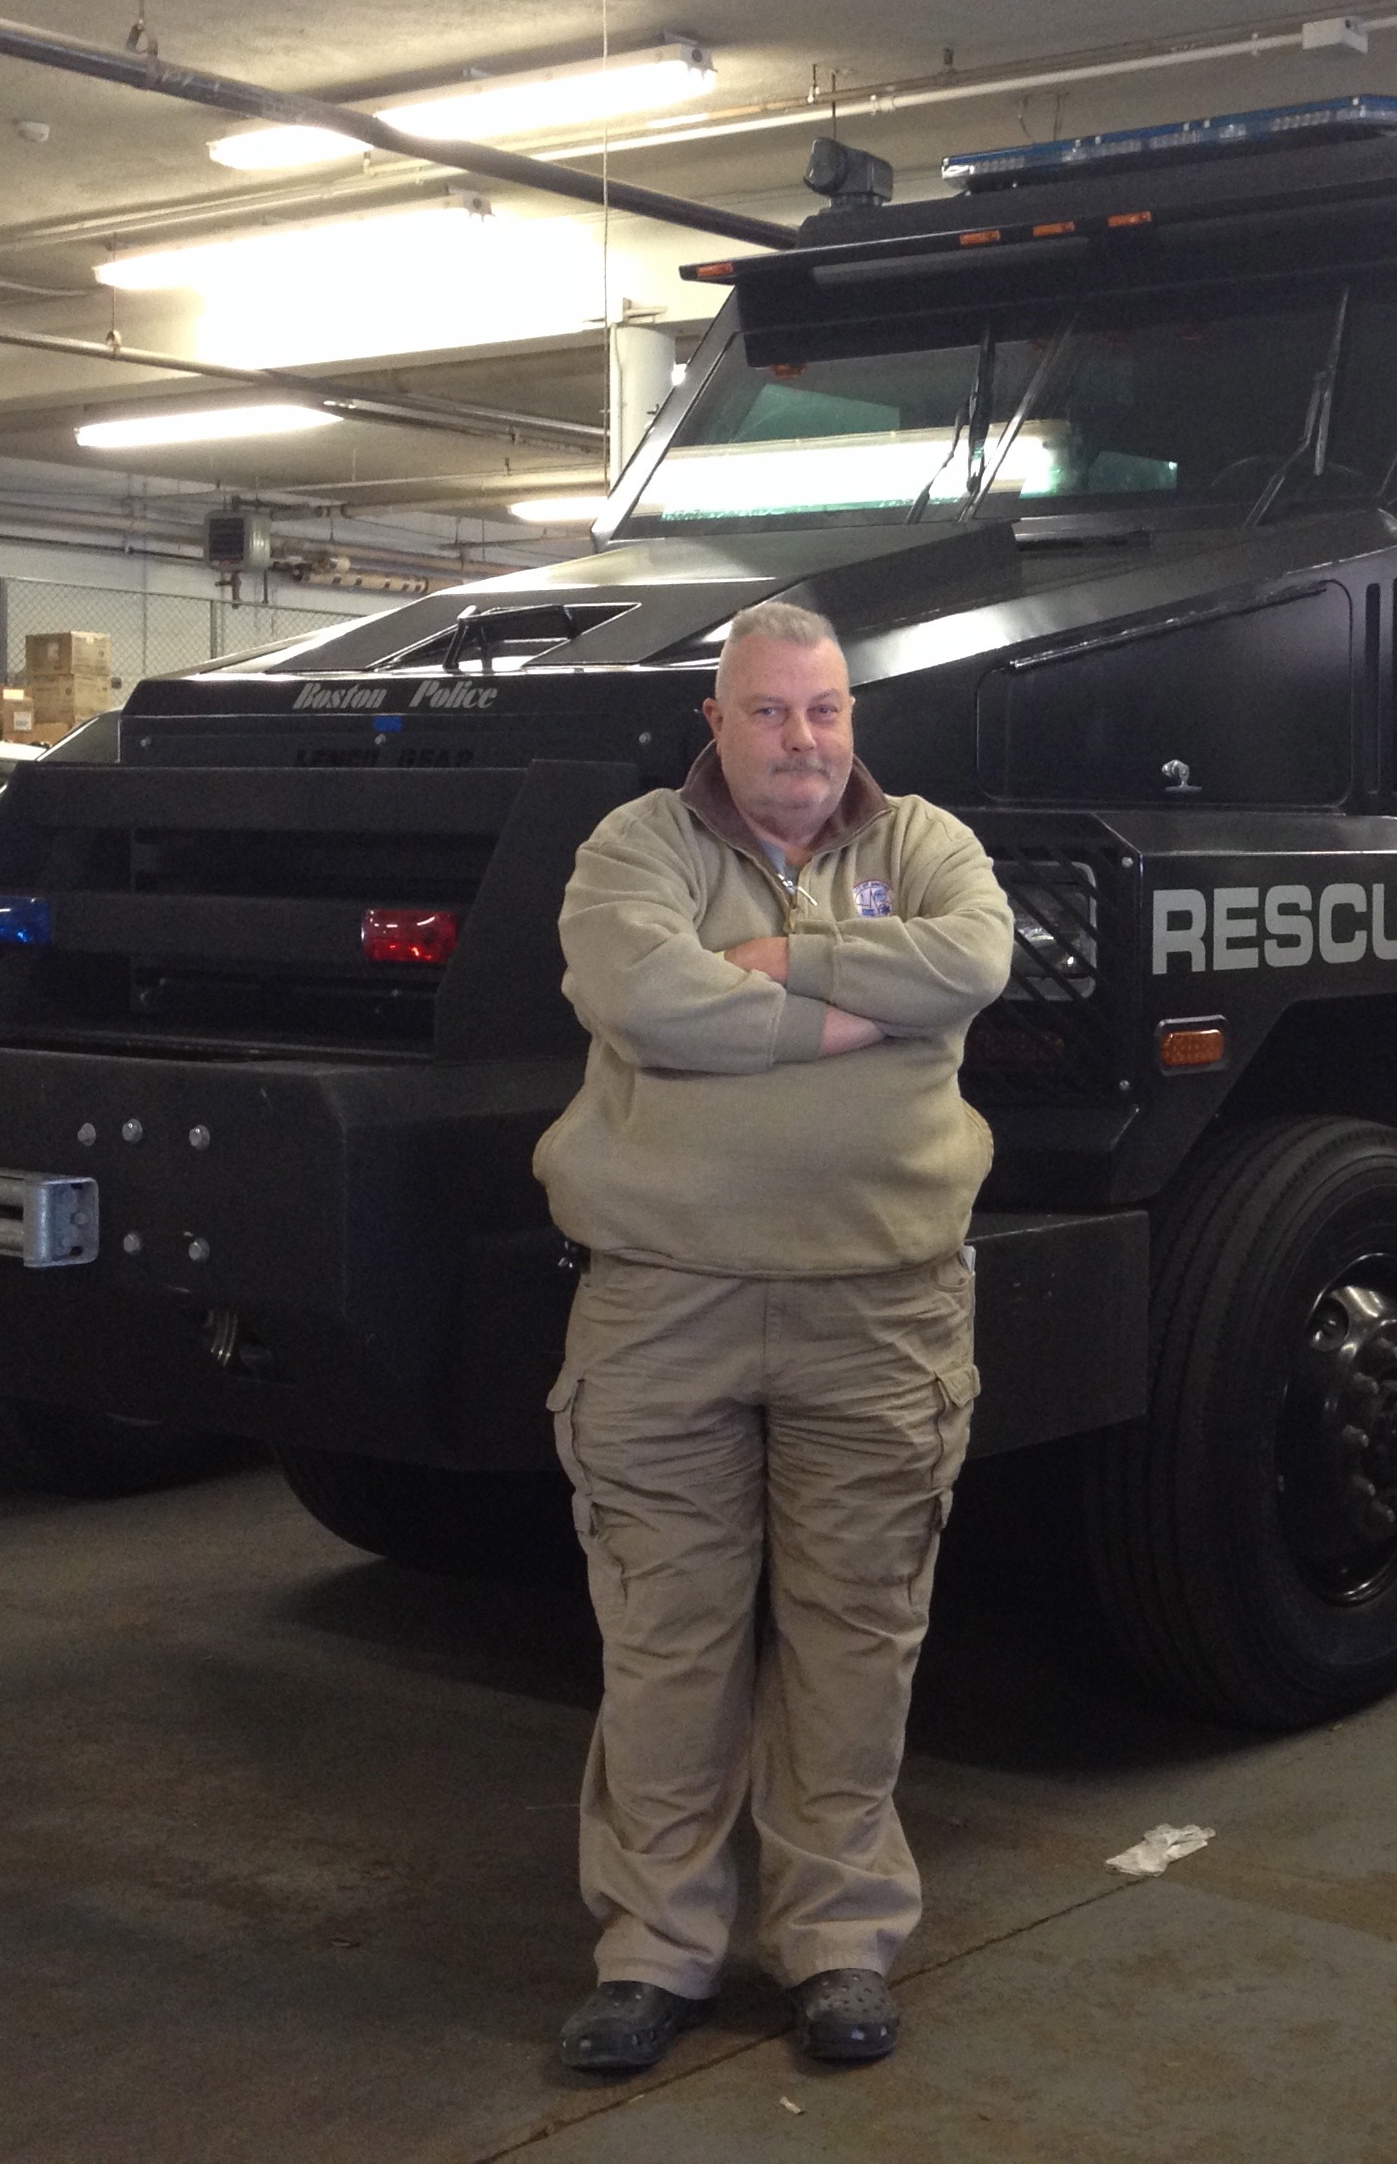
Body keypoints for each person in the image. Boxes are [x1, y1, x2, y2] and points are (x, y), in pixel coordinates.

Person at [533, 599, 1011, 2073]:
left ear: (850, 719)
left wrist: (770, 964)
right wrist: (860, 1006)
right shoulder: (637, 850)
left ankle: (837, 1940)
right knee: (667, 1638)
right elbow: (647, 998)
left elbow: (973, 962)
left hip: (880, 1306)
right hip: (664, 1301)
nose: (800, 740)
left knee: (856, 1637)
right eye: (768, 712)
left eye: (824, 711)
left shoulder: (926, 843)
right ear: (718, 725)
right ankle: (655, 1949)